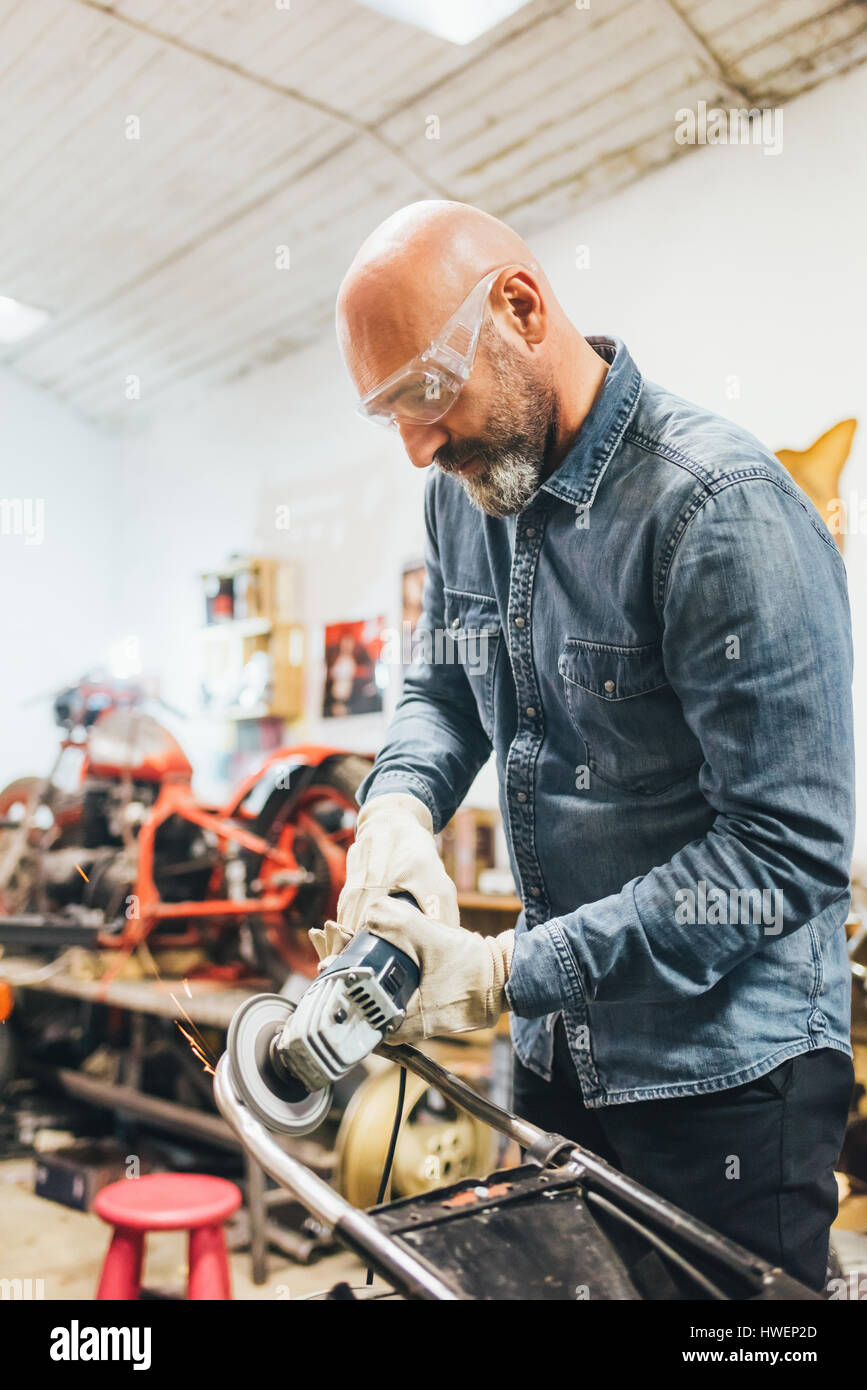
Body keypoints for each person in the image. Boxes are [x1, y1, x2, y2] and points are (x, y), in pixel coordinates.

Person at [322, 199, 855, 1291]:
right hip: (558, 1058)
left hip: (727, 1085)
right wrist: (399, 804)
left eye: (425, 392)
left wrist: (518, 966)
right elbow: (442, 684)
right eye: (390, 416)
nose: (418, 444)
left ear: (520, 308)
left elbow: (786, 854)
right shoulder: (464, 495)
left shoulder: (720, 509)